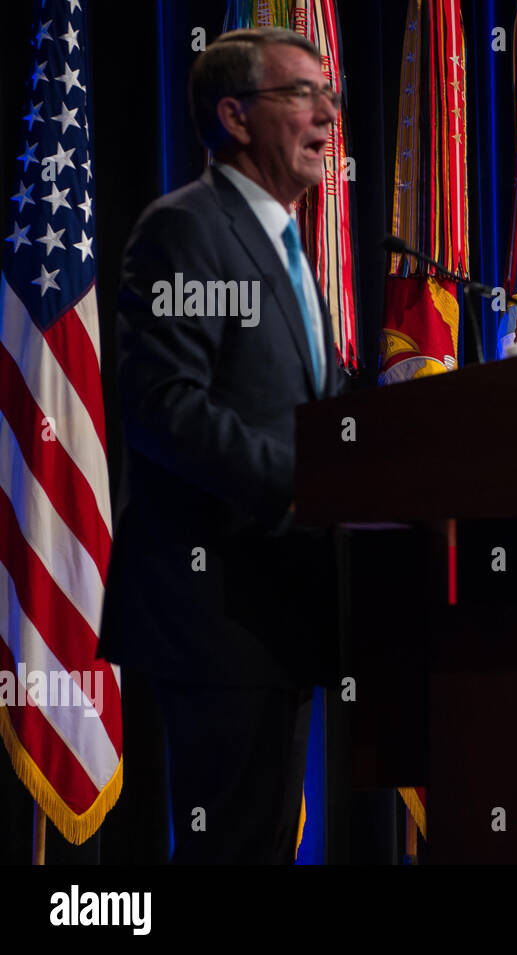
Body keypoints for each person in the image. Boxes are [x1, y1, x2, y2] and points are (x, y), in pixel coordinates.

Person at [98, 27, 346, 863]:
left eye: (329, 96)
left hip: (285, 602)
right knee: (230, 847)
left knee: (267, 840)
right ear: (236, 117)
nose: (326, 116)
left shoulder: (289, 247)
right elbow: (167, 408)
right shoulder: (186, 230)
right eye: (302, 95)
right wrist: (311, 484)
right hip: (217, 606)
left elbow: (313, 402)